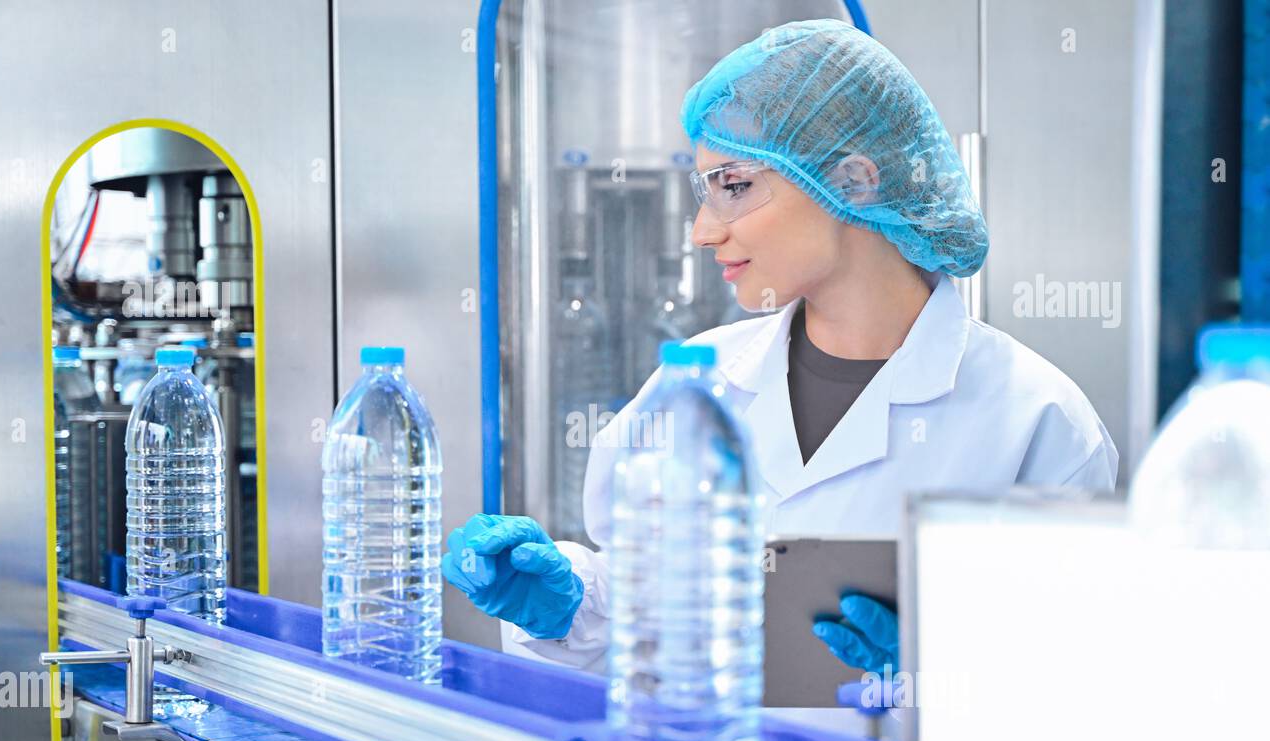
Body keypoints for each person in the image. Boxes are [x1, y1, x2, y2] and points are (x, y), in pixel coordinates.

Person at [443, 19, 1118, 676]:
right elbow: (647, 606)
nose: (704, 232)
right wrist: (567, 606)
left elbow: (1077, 684)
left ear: (854, 181)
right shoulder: (698, 383)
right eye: (704, 193)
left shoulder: (1037, 421)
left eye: (734, 186)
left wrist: (944, 670)